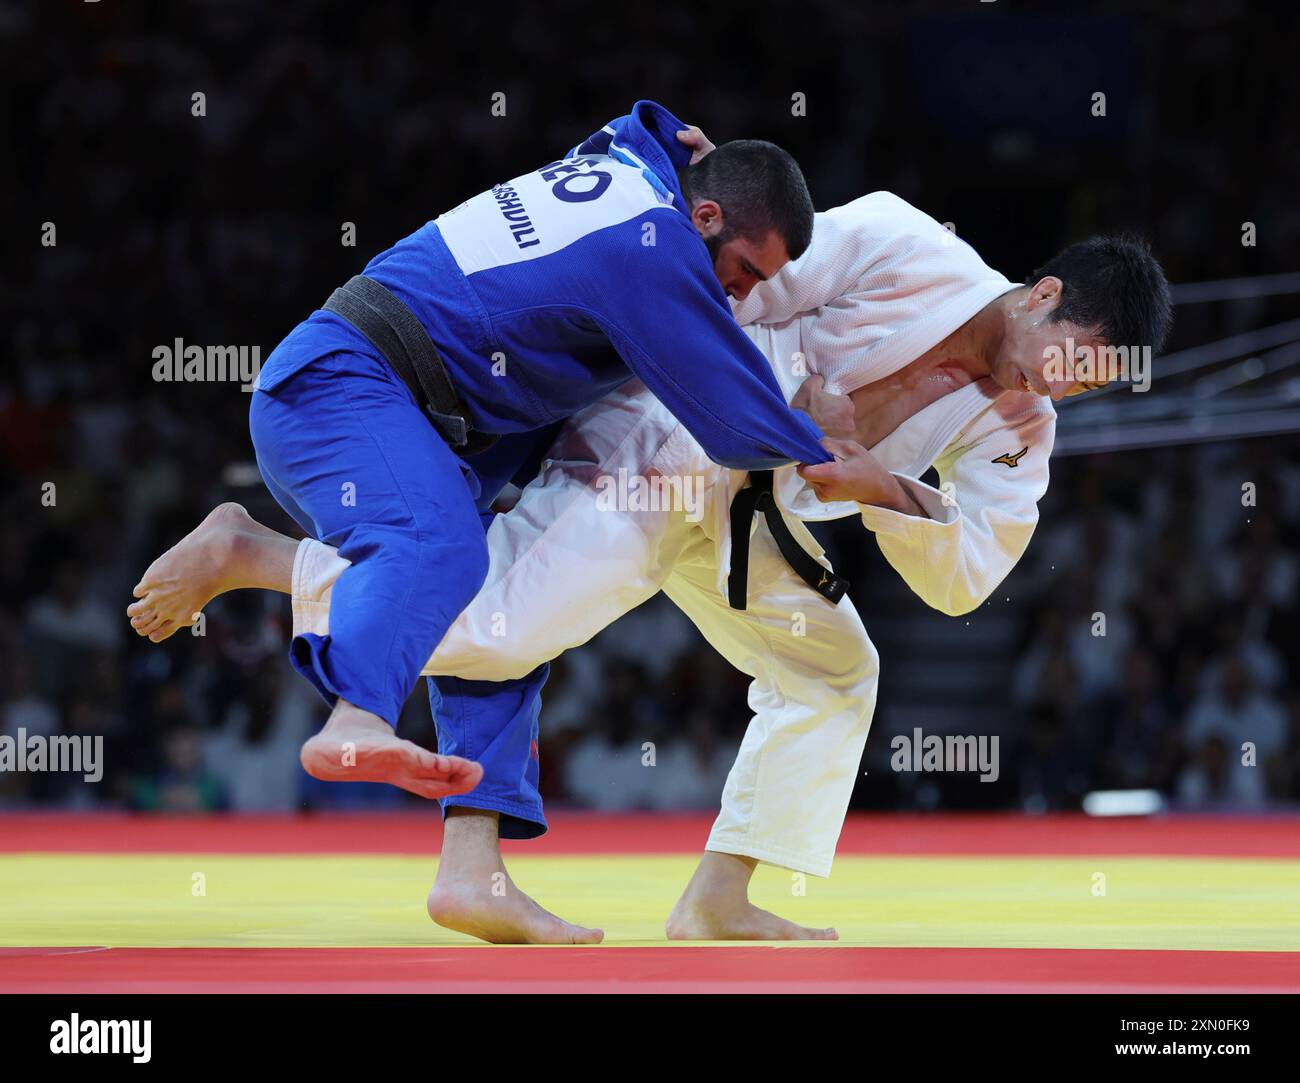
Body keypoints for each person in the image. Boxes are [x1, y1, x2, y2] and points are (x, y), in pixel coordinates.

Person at [130, 191, 1173, 943]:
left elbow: (966, 578)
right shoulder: (904, 241)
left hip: (761, 518)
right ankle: (255, 552)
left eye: (1090, 387)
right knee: (490, 633)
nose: (1062, 391)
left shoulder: (1021, 431)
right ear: (1041, 297)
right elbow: (716, 293)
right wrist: (794, 400)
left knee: (834, 674)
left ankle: (717, 897)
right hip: (670, 442)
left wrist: (883, 492)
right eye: (1070, 358)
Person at [128, 102, 843, 811]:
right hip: (342, 387)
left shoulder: (629, 167)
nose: (740, 293)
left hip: (419, 418)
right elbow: (735, 422)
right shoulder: (649, 242)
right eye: (745, 269)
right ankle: (354, 708)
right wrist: (830, 443)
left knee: (501, 619)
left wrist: (690, 152)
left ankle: (476, 867)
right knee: (436, 545)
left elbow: (634, 128)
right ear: (708, 216)